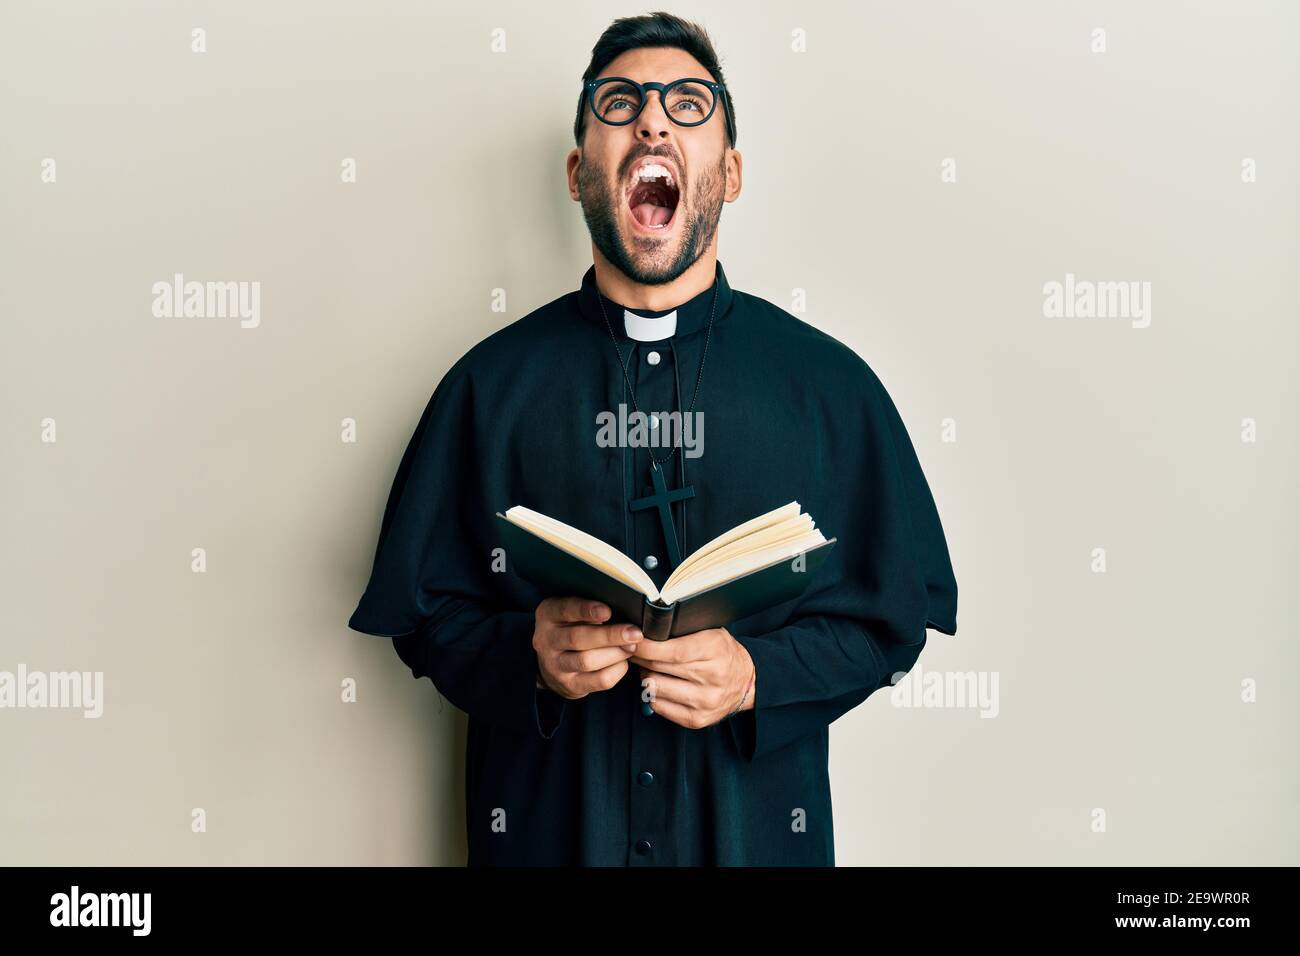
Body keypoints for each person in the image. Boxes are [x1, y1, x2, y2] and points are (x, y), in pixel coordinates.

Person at [348, 11, 958, 866]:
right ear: (576, 172)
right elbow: (423, 615)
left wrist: (757, 677)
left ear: (731, 172)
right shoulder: (489, 387)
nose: (653, 118)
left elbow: (890, 620)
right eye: (620, 101)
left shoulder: (829, 388)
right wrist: (528, 655)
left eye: (688, 102)